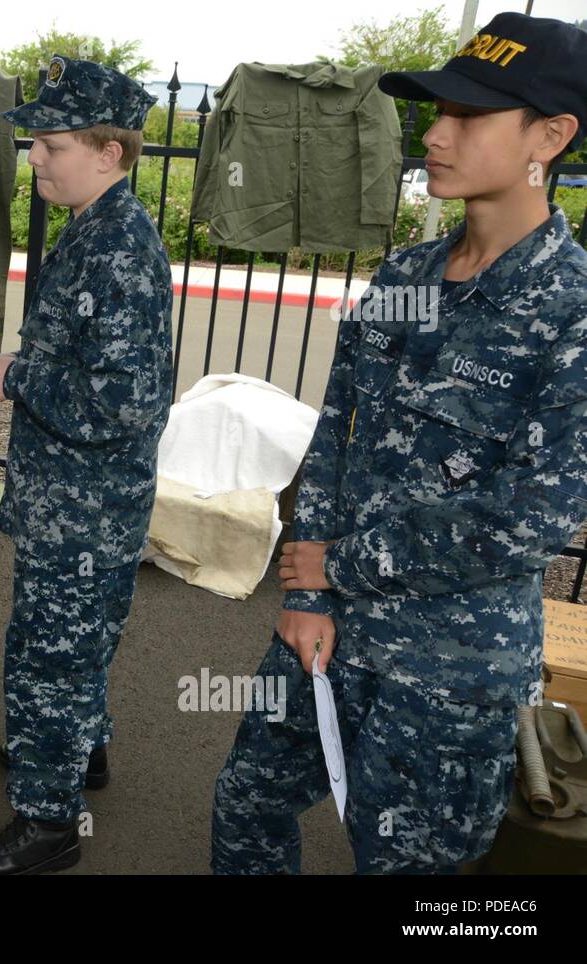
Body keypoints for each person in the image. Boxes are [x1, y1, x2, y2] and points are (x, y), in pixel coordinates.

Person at [212, 12, 587, 874]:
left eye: (469, 117)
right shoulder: (407, 277)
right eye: (436, 111)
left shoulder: (571, 308)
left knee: (406, 868)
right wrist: (309, 592)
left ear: (552, 136)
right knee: (247, 801)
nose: (437, 134)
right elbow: (339, 424)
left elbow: (536, 516)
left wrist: (338, 565)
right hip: (325, 624)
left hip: (449, 668)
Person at [0, 55, 173, 874]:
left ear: (110, 151)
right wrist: (26, 367)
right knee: (80, 643)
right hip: (80, 501)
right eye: (34, 143)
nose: (36, 158)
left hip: (85, 507)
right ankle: (85, 753)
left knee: (52, 654)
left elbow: (120, 401)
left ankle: (47, 824)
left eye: (52, 143)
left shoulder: (116, 247)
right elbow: (85, 359)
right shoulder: (101, 227)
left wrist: (15, 375)